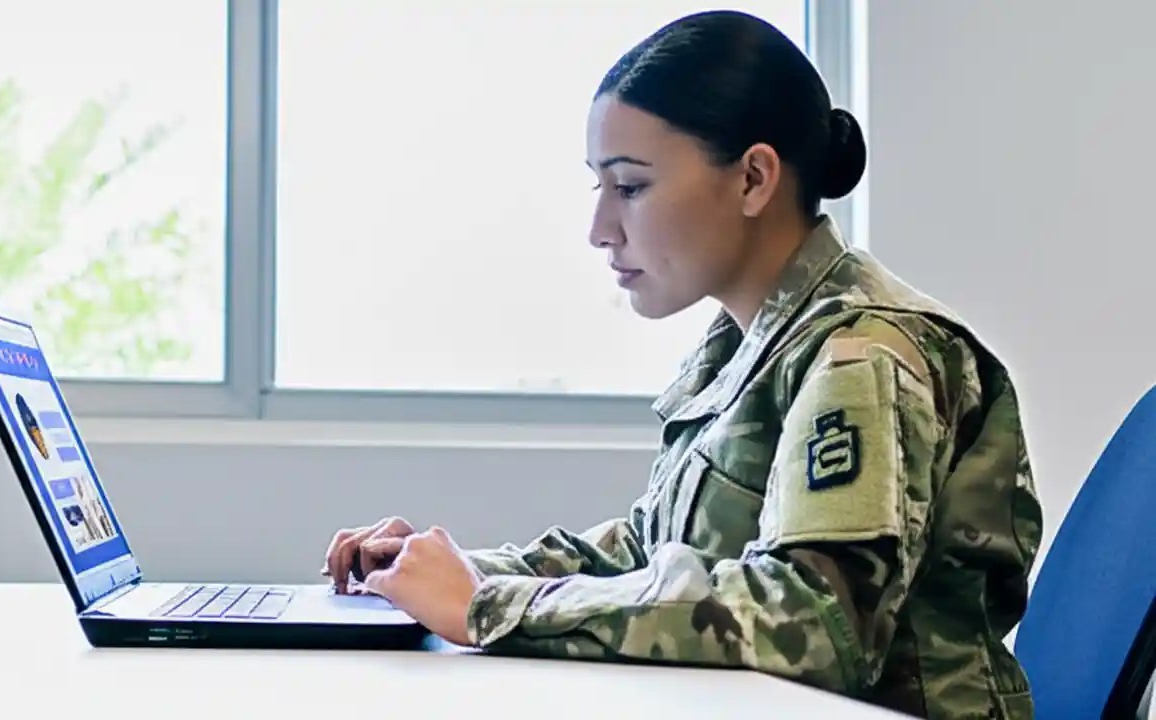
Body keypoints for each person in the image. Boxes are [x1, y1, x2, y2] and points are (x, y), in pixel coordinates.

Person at [321, 10, 1042, 719]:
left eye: (630, 186)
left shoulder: (861, 355)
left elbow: (815, 625)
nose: (600, 229)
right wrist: (450, 573)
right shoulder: (749, 342)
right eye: (598, 187)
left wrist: (489, 607)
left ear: (755, 179)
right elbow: (651, 550)